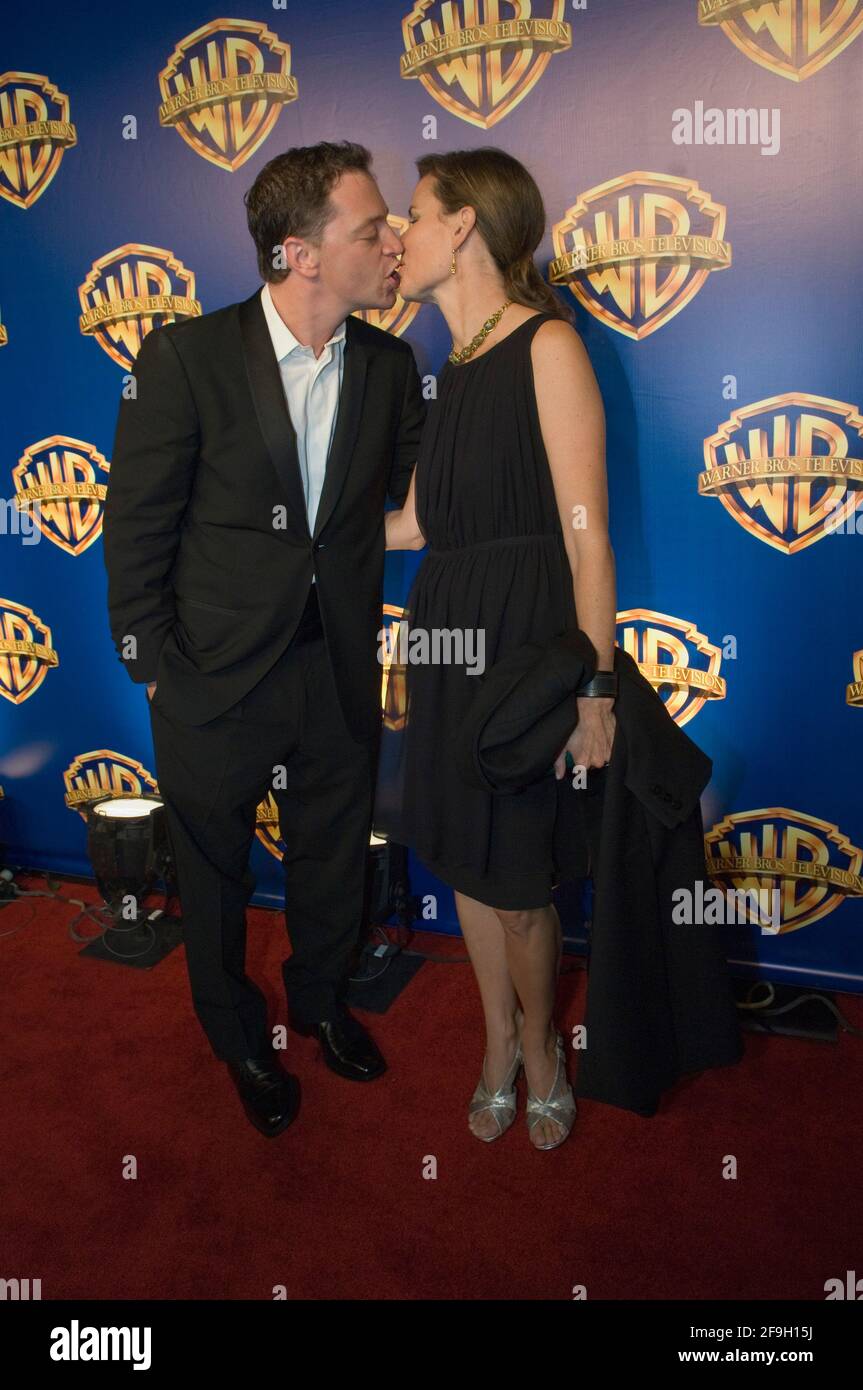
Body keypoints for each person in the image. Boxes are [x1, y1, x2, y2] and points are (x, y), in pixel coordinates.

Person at [103, 141, 425, 1138]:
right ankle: (239, 1034)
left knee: (331, 857)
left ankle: (322, 1003)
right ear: (299, 253)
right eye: (371, 228)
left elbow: (415, 506)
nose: (393, 241)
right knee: (213, 874)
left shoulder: (387, 362)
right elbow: (137, 530)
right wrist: (154, 670)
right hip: (210, 682)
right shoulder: (186, 359)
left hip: (333, 670)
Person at [379, 147, 616, 1151]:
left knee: (519, 881)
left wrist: (593, 688)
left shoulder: (547, 347)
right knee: (471, 872)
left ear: (465, 224)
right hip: (446, 636)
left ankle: (548, 1051)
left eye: (415, 214)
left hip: (525, 642)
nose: (398, 233)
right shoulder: (448, 368)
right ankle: (495, 1046)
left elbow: (584, 536)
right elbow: (414, 529)